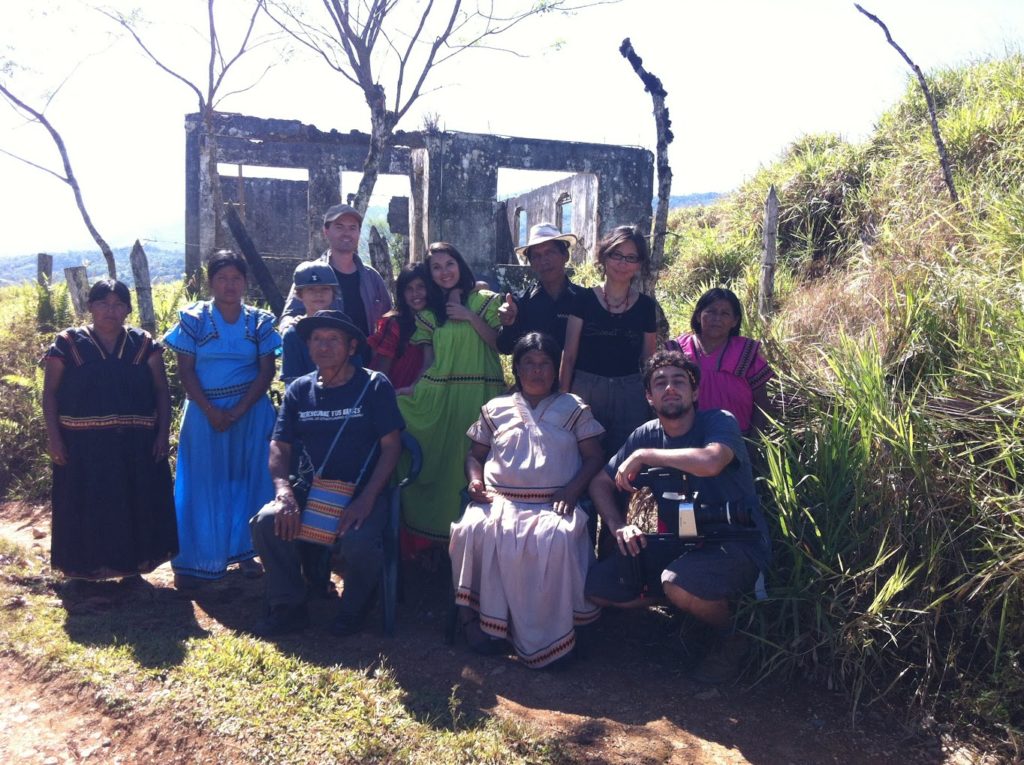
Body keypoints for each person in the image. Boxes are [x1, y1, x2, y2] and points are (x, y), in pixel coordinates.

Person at [584, 351, 771, 684]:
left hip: (735, 542)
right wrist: (616, 525)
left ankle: (735, 635)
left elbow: (712, 461)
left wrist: (646, 456)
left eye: (679, 381)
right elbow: (600, 482)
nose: (669, 388)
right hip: (680, 543)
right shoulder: (645, 433)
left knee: (677, 582)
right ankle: (684, 605)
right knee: (597, 588)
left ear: (695, 391)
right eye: (660, 383)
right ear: (649, 397)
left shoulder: (718, 421)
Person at [450, 332, 605, 667]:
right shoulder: (496, 408)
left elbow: (594, 457)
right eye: (529, 363)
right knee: (471, 529)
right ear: (517, 368)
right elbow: (475, 455)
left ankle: (556, 637)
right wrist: (475, 481)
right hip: (500, 501)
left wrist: (572, 490)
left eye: (544, 363)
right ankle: (475, 625)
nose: (537, 371)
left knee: (558, 538)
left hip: (554, 502)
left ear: (555, 368)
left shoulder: (573, 407)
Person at [250, 310, 404, 637]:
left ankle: (356, 608)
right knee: (266, 522)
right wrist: (284, 492)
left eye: (333, 339)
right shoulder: (298, 390)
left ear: (351, 347)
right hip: (309, 490)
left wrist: (366, 499)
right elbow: (279, 445)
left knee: (359, 541)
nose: (324, 346)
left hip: (363, 492)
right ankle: (289, 605)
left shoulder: (374, 385)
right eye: (317, 339)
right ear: (307, 347)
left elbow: (392, 447)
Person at [42, 279, 178, 584]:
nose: (110, 310)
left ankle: (131, 570)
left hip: (135, 446)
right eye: (103, 303)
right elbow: (50, 393)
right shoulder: (69, 343)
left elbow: (161, 391)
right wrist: (54, 438)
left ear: (128, 309)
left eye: (118, 304)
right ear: (90, 307)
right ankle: (82, 572)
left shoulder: (143, 344)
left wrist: (162, 434)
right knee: (85, 505)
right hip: (82, 447)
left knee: (133, 505)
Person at [164, 250, 280, 588]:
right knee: (203, 483)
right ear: (211, 282)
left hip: (251, 412)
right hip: (204, 414)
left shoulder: (259, 322)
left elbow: (267, 371)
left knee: (248, 481)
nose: (229, 285)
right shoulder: (194, 319)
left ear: (245, 282)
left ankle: (246, 552)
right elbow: (186, 371)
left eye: (236, 278)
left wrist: (239, 410)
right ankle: (196, 559)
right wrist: (211, 410)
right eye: (222, 278)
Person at [398, 242, 505, 544]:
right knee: (445, 467)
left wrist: (469, 316)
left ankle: (485, 542)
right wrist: (414, 388)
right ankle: (442, 541)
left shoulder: (485, 301)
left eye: (449, 264)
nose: (444, 272)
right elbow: (429, 362)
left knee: (482, 465)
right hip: (443, 398)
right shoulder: (431, 314)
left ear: (460, 265)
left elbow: (499, 344)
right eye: (436, 267)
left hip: (483, 396)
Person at [559, 225, 658, 458]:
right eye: (617, 255)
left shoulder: (646, 306)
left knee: (627, 457)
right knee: (580, 456)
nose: (623, 263)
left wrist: (652, 400)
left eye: (631, 257)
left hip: (630, 392)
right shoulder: (583, 299)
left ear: (639, 264)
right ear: (604, 256)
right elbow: (569, 355)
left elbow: (648, 360)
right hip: (585, 389)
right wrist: (562, 398)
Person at [672, 287, 774, 437]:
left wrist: (754, 443)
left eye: (725, 313)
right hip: (686, 438)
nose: (717, 318)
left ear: (734, 321)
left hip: (737, 438)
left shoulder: (746, 353)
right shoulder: (677, 351)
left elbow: (762, 402)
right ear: (698, 315)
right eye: (711, 311)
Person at [279, 203, 392, 337]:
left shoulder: (372, 277)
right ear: (326, 231)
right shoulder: (311, 274)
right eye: (339, 227)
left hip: (367, 350)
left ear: (359, 233)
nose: (346, 234)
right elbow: (288, 317)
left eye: (352, 228)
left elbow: (389, 319)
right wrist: (292, 325)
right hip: (324, 349)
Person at [496, 223, 582, 353]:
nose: (544, 261)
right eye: (536, 256)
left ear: (565, 256)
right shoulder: (521, 303)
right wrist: (508, 324)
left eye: (550, 252)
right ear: (531, 263)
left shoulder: (583, 300)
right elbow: (505, 347)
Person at [367, 263, 430, 394]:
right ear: (402, 293)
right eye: (409, 289)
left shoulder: (437, 322)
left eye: (421, 286)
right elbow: (382, 373)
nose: (415, 294)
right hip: (398, 396)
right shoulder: (394, 325)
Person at [280, 261, 340, 384]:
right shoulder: (293, 334)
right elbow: (292, 383)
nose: (318, 294)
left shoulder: (345, 331)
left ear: (333, 293)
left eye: (325, 288)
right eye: (311, 289)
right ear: (299, 294)